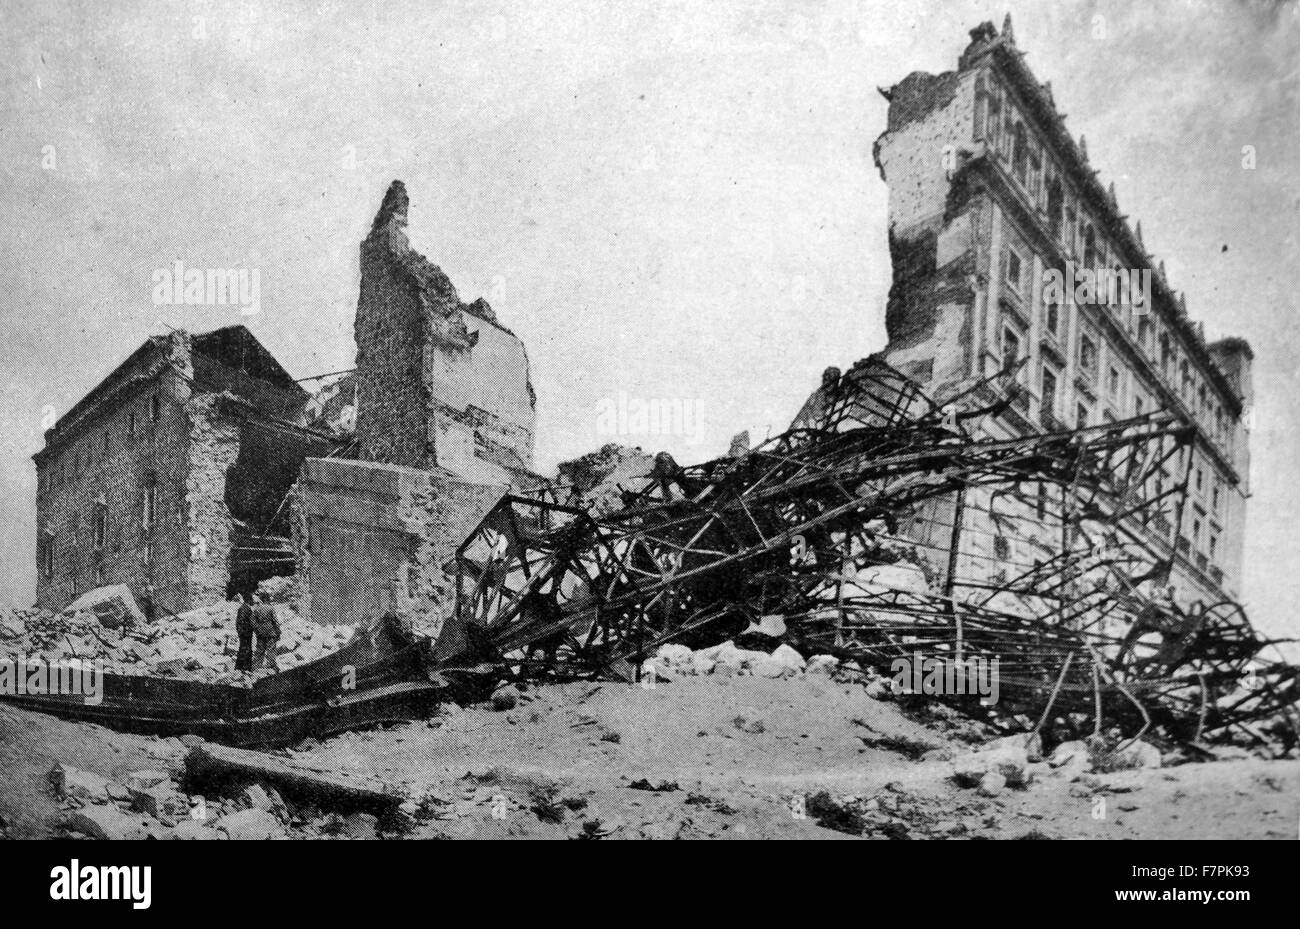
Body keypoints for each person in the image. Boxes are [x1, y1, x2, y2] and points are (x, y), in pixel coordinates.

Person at [251, 592, 281, 671]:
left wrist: (257, 630)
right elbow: (275, 621)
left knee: (260, 649)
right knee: (271, 648)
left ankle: (256, 666)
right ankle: (270, 665)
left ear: (261, 599)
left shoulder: (256, 609)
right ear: (267, 599)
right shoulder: (271, 608)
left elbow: (253, 622)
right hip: (271, 631)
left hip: (260, 632)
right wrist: (278, 631)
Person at [234, 593, 254, 673]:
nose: (253, 601)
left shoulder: (243, 608)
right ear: (249, 600)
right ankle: (244, 667)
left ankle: (240, 667)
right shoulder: (245, 609)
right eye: (252, 599)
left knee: (243, 648)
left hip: (244, 632)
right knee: (246, 649)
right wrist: (247, 630)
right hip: (246, 633)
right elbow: (243, 621)